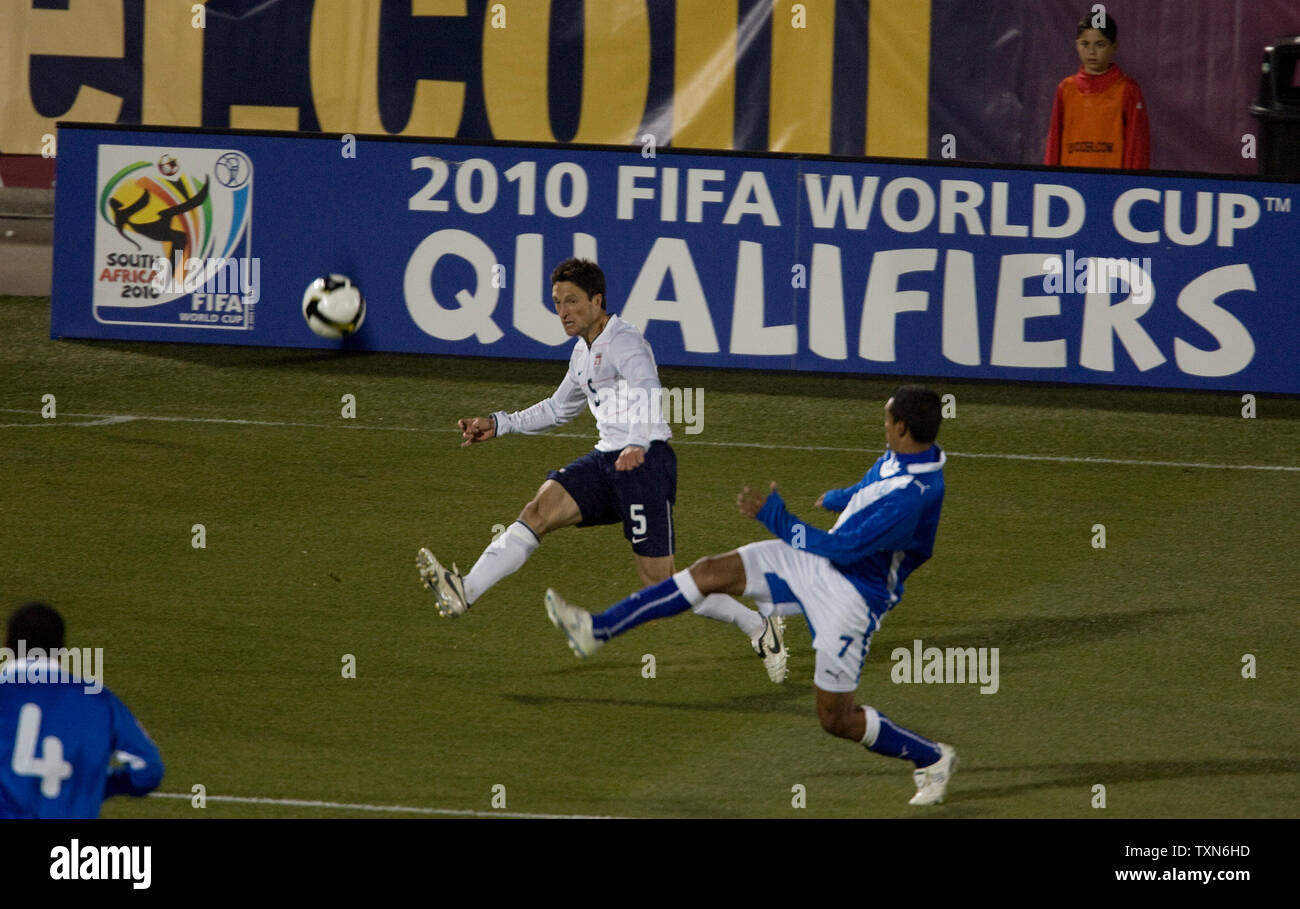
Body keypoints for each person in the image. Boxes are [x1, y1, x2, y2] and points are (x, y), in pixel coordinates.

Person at [545, 386, 958, 806]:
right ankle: (597, 629)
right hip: (818, 565)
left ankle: (931, 758)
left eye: (887, 421)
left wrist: (774, 517)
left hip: (853, 597)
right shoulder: (911, 454)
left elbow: (844, 549)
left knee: (835, 718)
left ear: (903, 428)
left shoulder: (914, 496)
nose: (883, 427)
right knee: (709, 571)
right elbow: (876, 480)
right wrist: (841, 497)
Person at [417, 258, 787, 682]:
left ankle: (758, 626)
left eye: (572, 301)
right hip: (606, 461)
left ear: (597, 300)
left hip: (645, 464)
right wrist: (499, 423)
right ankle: (466, 590)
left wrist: (637, 440)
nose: (563, 311)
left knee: (659, 588)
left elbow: (649, 389)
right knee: (538, 510)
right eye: (557, 302)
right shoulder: (582, 352)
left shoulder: (624, 341)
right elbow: (558, 409)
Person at [0, 602, 164, 818]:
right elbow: (149, 771)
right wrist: (91, 784)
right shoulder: (99, 700)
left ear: (8, 645)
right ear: (61, 649)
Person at [1043, 10, 1150, 169]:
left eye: (1100, 44)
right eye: (1085, 44)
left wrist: (1132, 184)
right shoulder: (1066, 89)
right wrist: (1049, 178)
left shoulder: (1128, 89)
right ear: (1077, 45)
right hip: (1070, 183)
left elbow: (1137, 147)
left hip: (1113, 184)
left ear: (1114, 47)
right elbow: (1054, 143)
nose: (1091, 51)